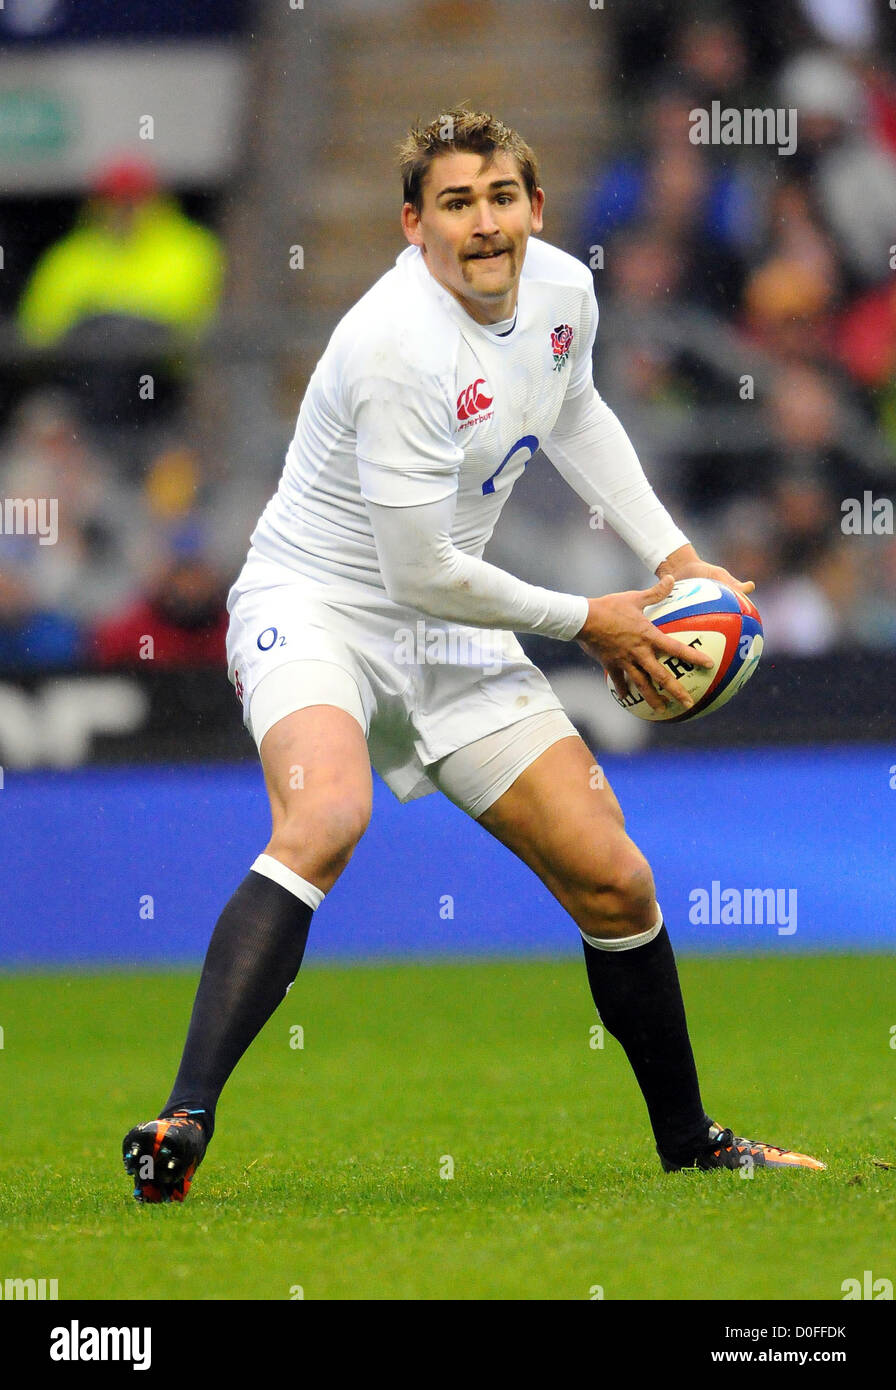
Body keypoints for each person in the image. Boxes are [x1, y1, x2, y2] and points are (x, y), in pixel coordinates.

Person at [122, 109, 824, 1203]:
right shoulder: (394, 344)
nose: (484, 222)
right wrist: (593, 617)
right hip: (320, 605)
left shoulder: (561, 293)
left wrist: (674, 555)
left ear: (534, 209)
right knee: (325, 818)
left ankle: (690, 1144)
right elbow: (416, 570)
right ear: (412, 225)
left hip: (449, 618)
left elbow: (575, 409)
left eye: (501, 197)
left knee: (614, 877)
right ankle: (182, 1119)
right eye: (454, 202)